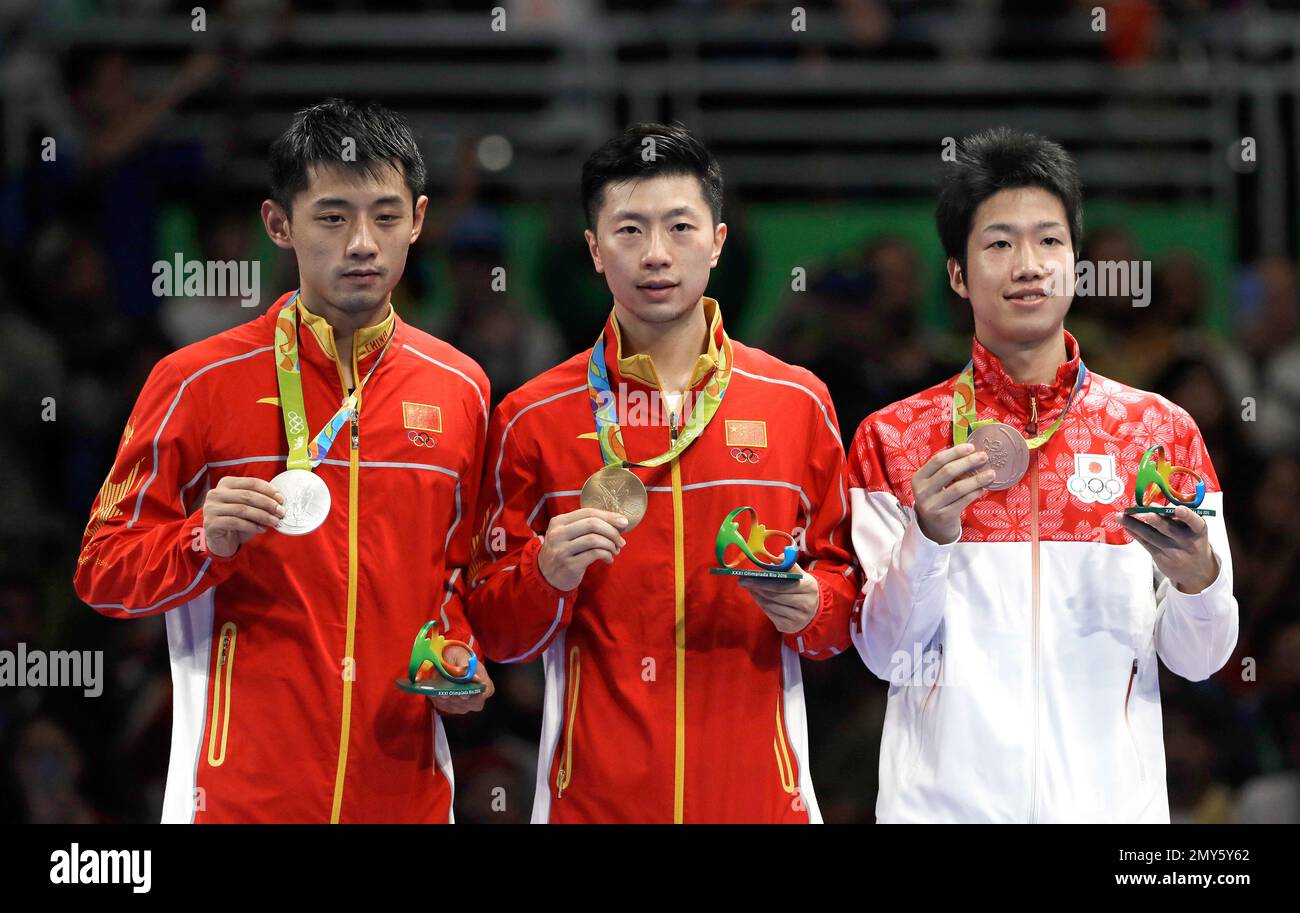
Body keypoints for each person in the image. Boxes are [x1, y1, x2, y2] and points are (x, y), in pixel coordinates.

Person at [73, 99, 493, 823]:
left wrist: (457, 650)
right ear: (279, 224)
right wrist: (199, 537)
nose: (362, 242)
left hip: (405, 796)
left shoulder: (463, 389)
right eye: (332, 217)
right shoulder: (195, 381)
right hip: (240, 797)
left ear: (418, 220)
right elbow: (101, 572)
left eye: (386, 216)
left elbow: (464, 571)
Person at [467, 123, 858, 823]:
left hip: (761, 802)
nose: (655, 254)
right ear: (593, 249)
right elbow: (497, 633)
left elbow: (844, 609)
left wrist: (814, 607)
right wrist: (545, 572)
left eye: (680, 227)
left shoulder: (797, 402)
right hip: (591, 803)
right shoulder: (534, 415)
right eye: (628, 230)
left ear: (717, 240)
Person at [847, 127, 1238, 823]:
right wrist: (928, 536)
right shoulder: (894, 438)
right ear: (958, 274)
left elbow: (1201, 657)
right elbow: (886, 654)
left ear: (1076, 266)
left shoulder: (1158, 433)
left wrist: (1197, 577)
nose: (1028, 263)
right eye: (999, 243)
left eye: (1049, 241)